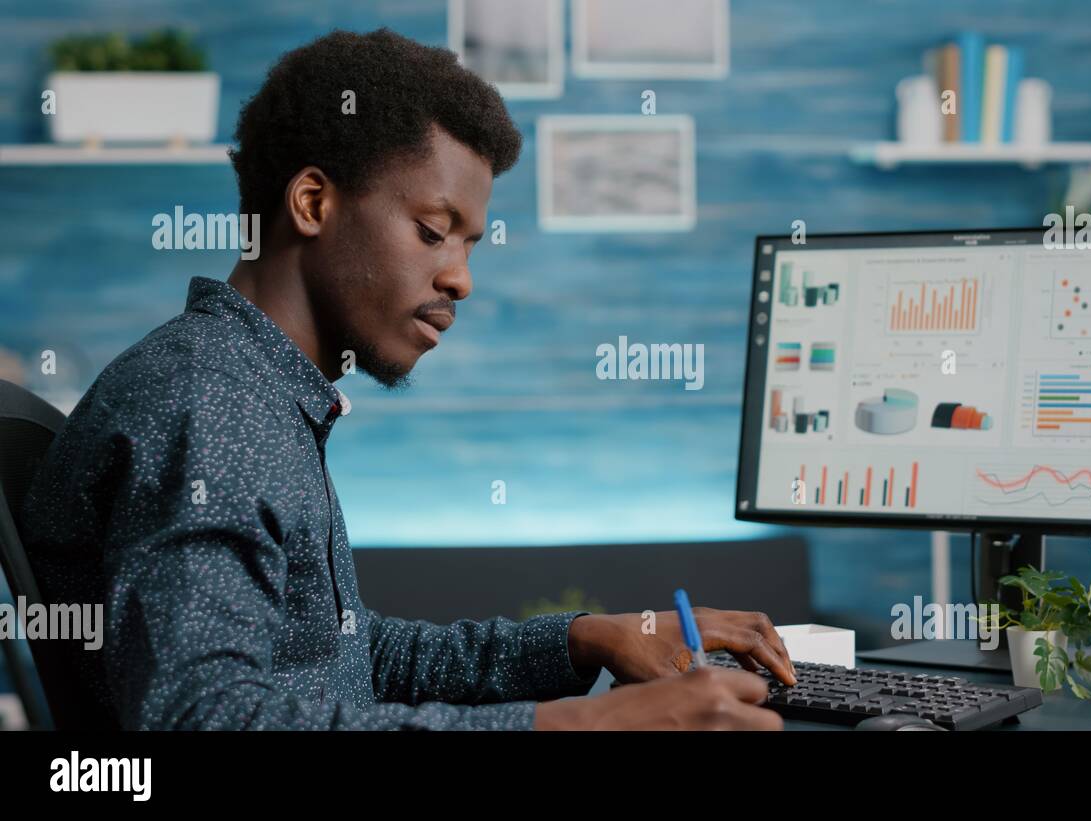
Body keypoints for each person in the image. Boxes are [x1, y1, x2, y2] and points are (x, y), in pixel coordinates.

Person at [21, 29, 794, 731]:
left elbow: (347, 659)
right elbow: (206, 718)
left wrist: (581, 636)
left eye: (469, 245)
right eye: (432, 231)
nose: (460, 279)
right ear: (313, 202)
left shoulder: (254, 386)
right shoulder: (212, 403)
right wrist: (586, 726)